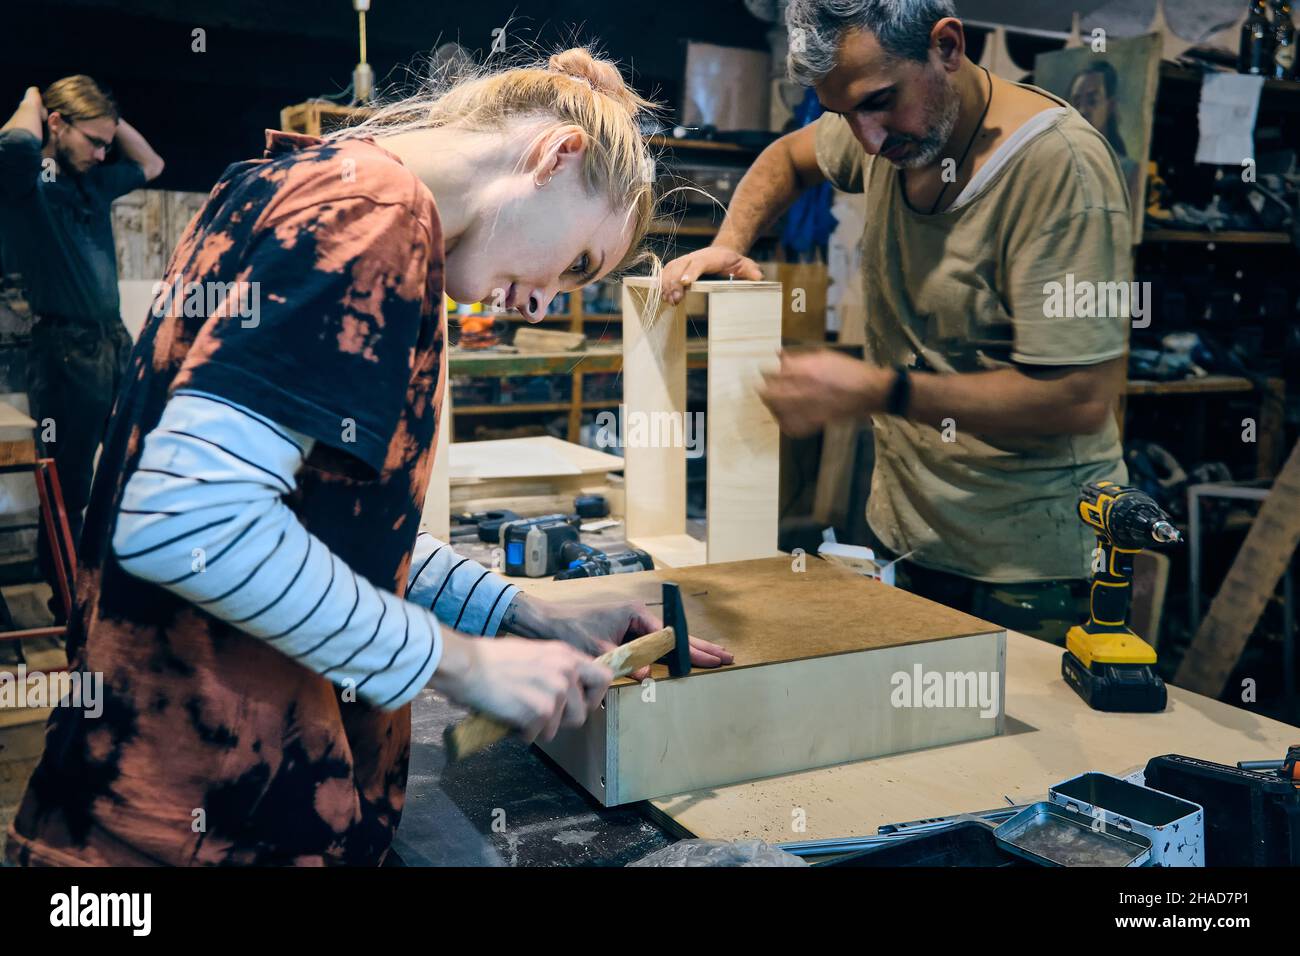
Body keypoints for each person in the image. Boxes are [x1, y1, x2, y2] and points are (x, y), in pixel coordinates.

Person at [6, 48, 730, 868]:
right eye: (575, 265)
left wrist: (519, 617)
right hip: (193, 825)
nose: (541, 299)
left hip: (164, 802)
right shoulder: (375, 214)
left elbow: (313, 520)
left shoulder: (308, 183)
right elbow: (187, 521)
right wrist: (463, 665)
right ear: (556, 155)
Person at [661, 1, 1132, 642]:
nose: (868, 140)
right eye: (843, 114)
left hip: (1031, 575)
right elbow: (788, 158)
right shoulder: (887, 132)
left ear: (947, 46)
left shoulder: (1060, 172)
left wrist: (880, 390)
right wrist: (731, 241)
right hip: (909, 543)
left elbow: (1080, 398)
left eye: (880, 101)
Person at [0, 77, 165, 619]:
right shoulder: (29, 185)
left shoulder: (90, 184)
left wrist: (108, 125)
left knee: (134, 465)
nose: (102, 152)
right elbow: (17, 143)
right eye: (91, 140)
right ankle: (69, 602)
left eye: (105, 142)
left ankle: (115, 586)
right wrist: (31, 97)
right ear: (55, 125)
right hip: (63, 349)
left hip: (113, 342)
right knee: (69, 482)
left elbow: (153, 163)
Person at [1068, 61, 1141, 202]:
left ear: (1110, 105)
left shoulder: (1127, 171)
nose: (1082, 110)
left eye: (1092, 101)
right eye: (1076, 103)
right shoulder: (1061, 161)